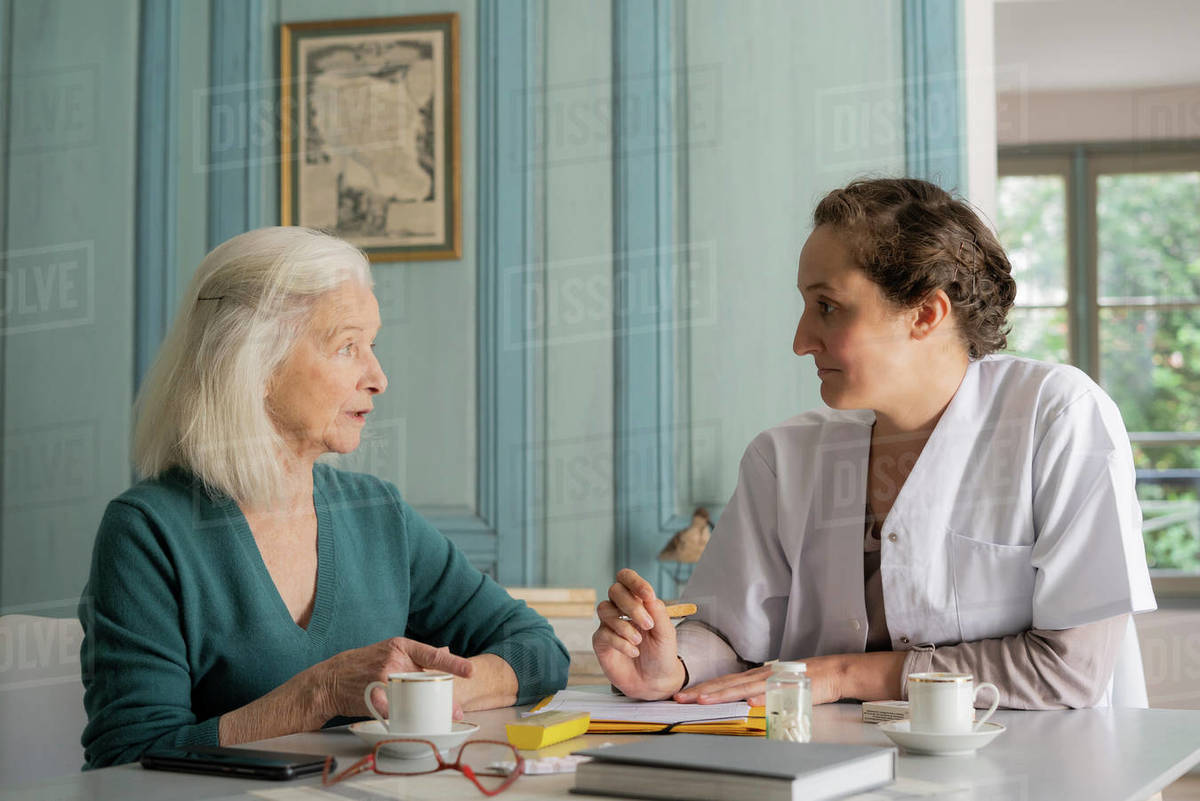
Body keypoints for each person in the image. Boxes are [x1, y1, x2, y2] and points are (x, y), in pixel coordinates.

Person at [593, 178, 1156, 710]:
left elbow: (1069, 669)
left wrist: (842, 675)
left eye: (828, 306)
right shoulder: (782, 458)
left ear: (926, 313)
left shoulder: (1057, 417)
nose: (800, 341)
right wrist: (675, 666)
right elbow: (731, 635)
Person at [79, 227, 568, 768]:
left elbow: (537, 649)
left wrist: (437, 694)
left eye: (372, 346)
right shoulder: (148, 531)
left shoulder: (378, 512)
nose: (378, 377)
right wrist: (320, 693)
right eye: (347, 347)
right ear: (256, 364)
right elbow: (127, 757)